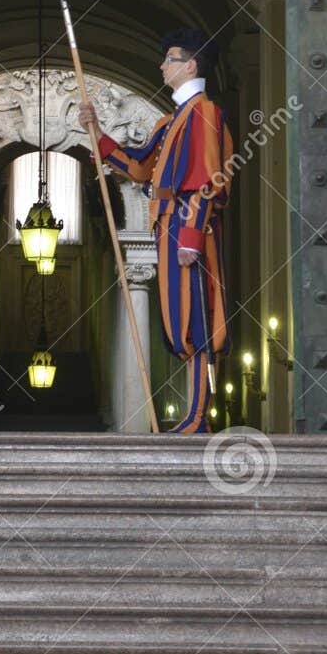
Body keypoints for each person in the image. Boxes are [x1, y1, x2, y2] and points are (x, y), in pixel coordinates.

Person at [78, 30, 233, 434]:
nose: (162, 66)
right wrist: (96, 133)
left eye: (170, 58)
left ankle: (199, 418)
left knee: (196, 320)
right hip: (169, 227)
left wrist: (192, 237)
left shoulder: (205, 113)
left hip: (187, 228)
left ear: (190, 65)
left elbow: (208, 178)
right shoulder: (170, 121)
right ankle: (193, 414)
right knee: (176, 319)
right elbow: (139, 167)